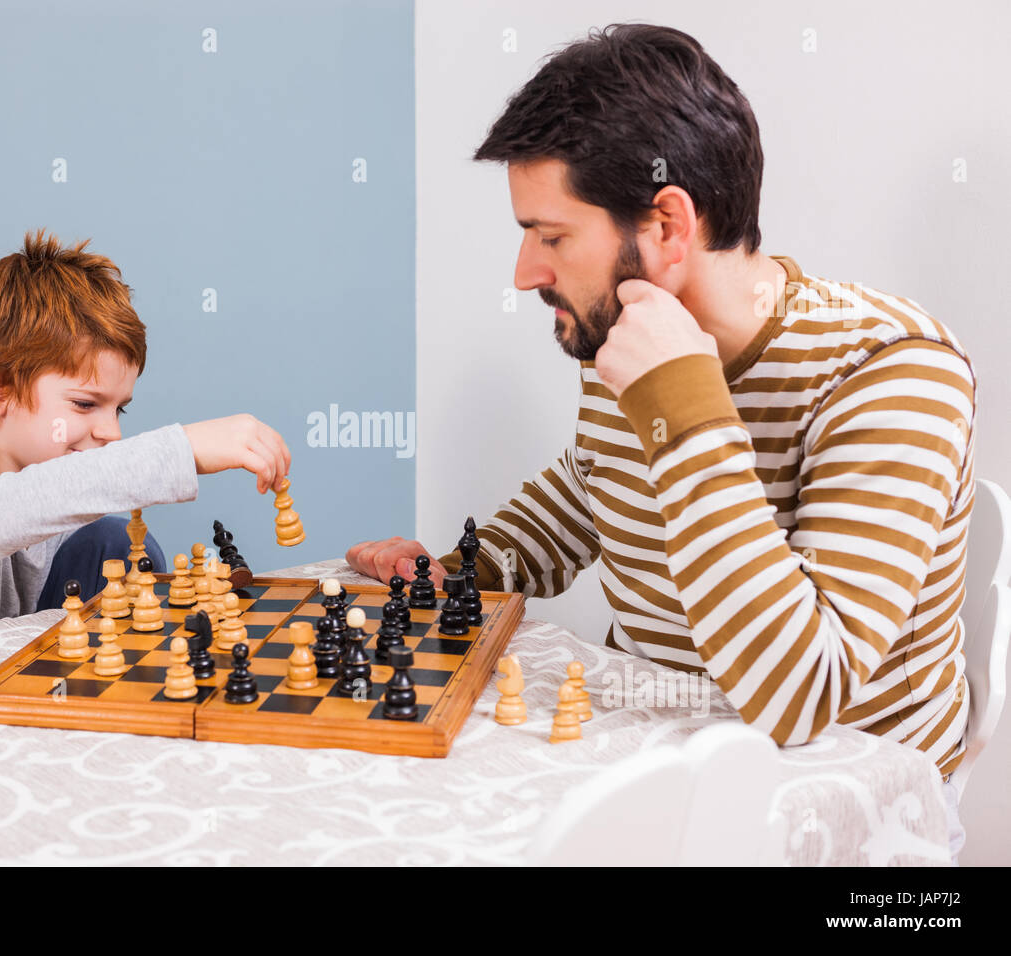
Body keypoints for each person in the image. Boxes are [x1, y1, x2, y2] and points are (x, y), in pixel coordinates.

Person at [346, 24, 972, 861]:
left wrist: (684, 404)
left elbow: (799, 695)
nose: (525, 273)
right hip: (655, 757)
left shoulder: (892, 373)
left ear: (668, 226)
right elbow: (594, 483)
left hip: (836, 805)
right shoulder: (624, 332)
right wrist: (466, 573)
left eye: (553, 235)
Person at [0, 229, 290, 653]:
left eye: (118, 409)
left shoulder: (45, 496)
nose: (112, 432)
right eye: (85, 404)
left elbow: (62, 501)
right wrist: (181, 450)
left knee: (113, 543)